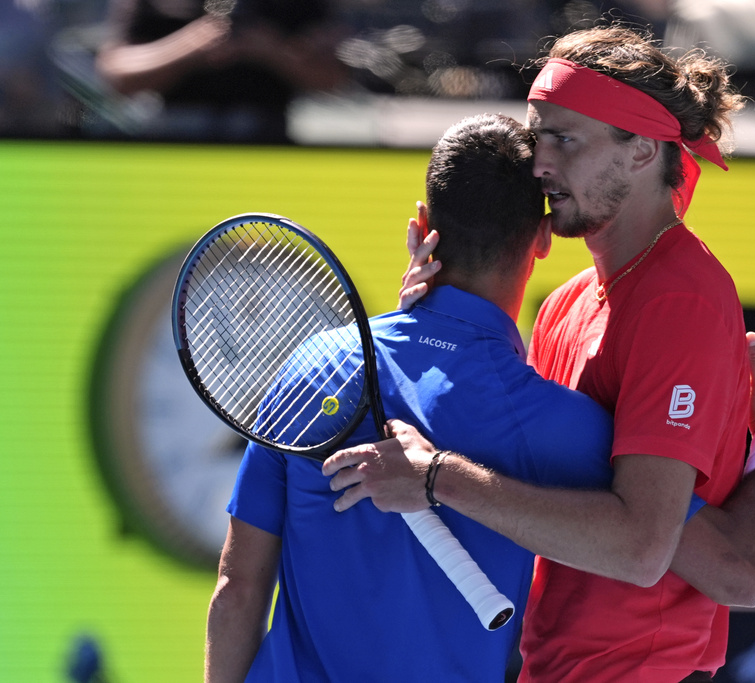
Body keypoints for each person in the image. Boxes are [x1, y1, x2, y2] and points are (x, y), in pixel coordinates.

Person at [323, 23, 755, 682]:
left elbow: (641, 546)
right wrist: (426, 323)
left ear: (639, 151)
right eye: (538, 135)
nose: (538, 163)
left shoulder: (681, 299)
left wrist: (437, 477)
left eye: (563, 139)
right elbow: (525, 472)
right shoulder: (565, 303)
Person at [206, 112, 712, 681]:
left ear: (423, 228)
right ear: (543, 240)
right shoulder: (565, 427)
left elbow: (237, 590)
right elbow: (733, 567)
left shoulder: (310, 368)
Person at [94, 0, 346, 142]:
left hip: (265, 144)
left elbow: (333, 79)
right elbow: (116, 74)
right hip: (175, 142)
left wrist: (271, 50)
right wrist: (190, 46)